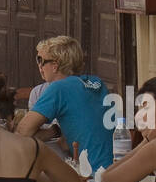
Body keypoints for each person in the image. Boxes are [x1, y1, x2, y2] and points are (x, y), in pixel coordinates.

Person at [13, 35, 113, 174]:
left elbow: (22, 133)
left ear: (55, 65)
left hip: (91, 175)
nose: (39, 66)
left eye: (41, 60)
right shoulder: (98, 83)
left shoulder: (58, 89)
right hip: (115, 169)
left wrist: (53, 132)